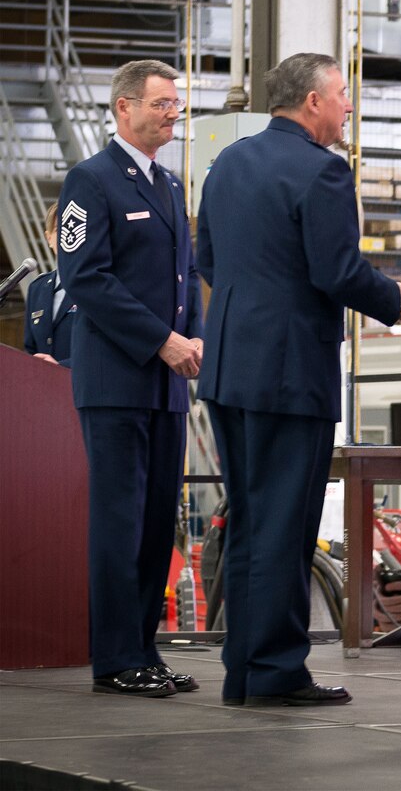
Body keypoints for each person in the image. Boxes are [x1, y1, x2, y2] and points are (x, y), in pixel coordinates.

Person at [196, 52, 401, 707]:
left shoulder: (228, 163)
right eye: (343, 95)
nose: (348, 106)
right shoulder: (323, 170)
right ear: (313, 101)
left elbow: (206, 256)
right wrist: (397, 299)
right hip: (290, 372)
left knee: (247, 521)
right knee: (284, 526)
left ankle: (244, 670)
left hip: (230, 367)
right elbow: (337, 271)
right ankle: (275, 673)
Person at [57, 59, 204, 698]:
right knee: (119, 521)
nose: (174, 113)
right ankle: (115, 659)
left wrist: (192, 337)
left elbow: (182, 275)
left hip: (167, 385)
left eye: (176, 104)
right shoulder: (89, 180)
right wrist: (162, 341)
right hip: (117, 380)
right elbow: (85, 277)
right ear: (124, 107)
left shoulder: (169, 185)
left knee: (153, 523)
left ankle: (145, 649)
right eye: (161, 103)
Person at [24, 202, 77, 367]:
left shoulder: (98, 284)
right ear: (48, 238)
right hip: (42, 388)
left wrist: (62, 367)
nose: (65, 234)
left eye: (71, 227)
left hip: (82, 387)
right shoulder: (37, 289)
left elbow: (104, 352)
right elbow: (30, 349)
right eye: (58, 229)